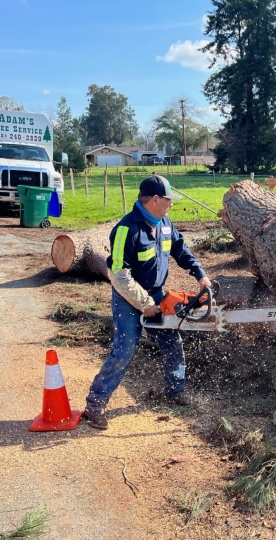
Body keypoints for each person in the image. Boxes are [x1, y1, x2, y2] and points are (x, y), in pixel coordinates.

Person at [82, 175, 211, 430]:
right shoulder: (125, 230)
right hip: (129, 299)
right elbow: (118, 275)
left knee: (172, 341)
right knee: (124, 350)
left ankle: (175, 391)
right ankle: (94, 405)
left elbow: (181, 250)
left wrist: (201, 275)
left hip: (158, 292)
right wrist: (144, 303)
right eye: (168, 200)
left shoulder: (164, 223)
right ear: (154, 200)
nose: (171, 204)